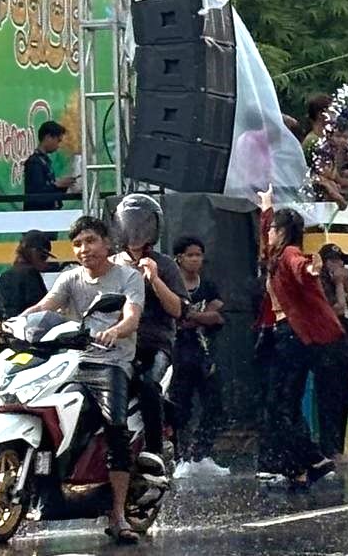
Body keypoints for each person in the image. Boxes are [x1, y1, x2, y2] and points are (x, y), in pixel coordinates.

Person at [19, 215, 144, 544]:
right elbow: (45, 306)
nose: (83, 249)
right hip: (72, 363)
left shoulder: (129, 277)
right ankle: (47, 491)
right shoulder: (70, 279)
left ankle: (117, 514)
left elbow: (132, 316)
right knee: (42, 412)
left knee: (116, 426)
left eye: (90, 241)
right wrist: (12, 324)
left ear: (106, 244)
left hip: (112, 363)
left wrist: (115, 331)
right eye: (77, 244)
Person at [255, 185, 345, 486]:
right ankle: (299, 467)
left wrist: (312, 269)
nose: (268, 233)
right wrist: (267, 206)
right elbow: (266, 238)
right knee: (283, 404)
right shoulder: (275, 253)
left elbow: (301, 266)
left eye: (273, 229)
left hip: (292, 336)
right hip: (286, 335)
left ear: (283, 233)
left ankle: (312, 458)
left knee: (281, 404)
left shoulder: (290, 253)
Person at [109, 195, 186, 470]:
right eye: (129, 223)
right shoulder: (110, 265)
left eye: (142, 224)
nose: (135, 230)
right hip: (114, 342)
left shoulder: (164, 264)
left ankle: (154, 450)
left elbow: (179, 310)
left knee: (147, 384)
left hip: (153, 343)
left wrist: (154, 279)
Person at [170, 236, 230, 478]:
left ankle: (201, 453)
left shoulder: (208, 286)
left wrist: (191, 316)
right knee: (180, 407)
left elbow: (217, 316)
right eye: (190, 255)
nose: (195, 260)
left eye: (199, 255)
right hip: (178, 353)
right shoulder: (172, 285)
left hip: (204, 353)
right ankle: (180, 458)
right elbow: (175, 317)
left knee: (214, 405)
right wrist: (197, 316)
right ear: (179, 258)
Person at [318, 243, 348, 462]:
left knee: (343, 397)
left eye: (340, 261)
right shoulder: (320, 283)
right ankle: (329, 448)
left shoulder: (345, 282)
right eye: (332, 260)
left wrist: (347, 286)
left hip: (347, 343)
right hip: (328, 344)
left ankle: (337, 445)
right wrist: (338, 285)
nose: (337, 265)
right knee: (329, 396)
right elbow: (334, 310)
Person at [0, 230, 53, 319]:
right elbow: (41, 308)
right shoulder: (30, 274)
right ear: (33, 252)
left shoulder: (5, 275)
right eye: (43, 257)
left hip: (7, 327)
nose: (45, 263)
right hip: (26, 328)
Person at [23, 121, 76, 211]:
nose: (58, 145)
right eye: (58, 141)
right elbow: (37, 192)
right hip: (39, 216)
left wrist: (62, 185)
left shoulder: (45, 161)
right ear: (48, 137)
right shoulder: (34, 162)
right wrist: (57, 185)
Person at [300, 94, 333, 163]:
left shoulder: (320, 138)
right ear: (320, 114)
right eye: (331, 111)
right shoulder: (313, 141)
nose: (334, 115)